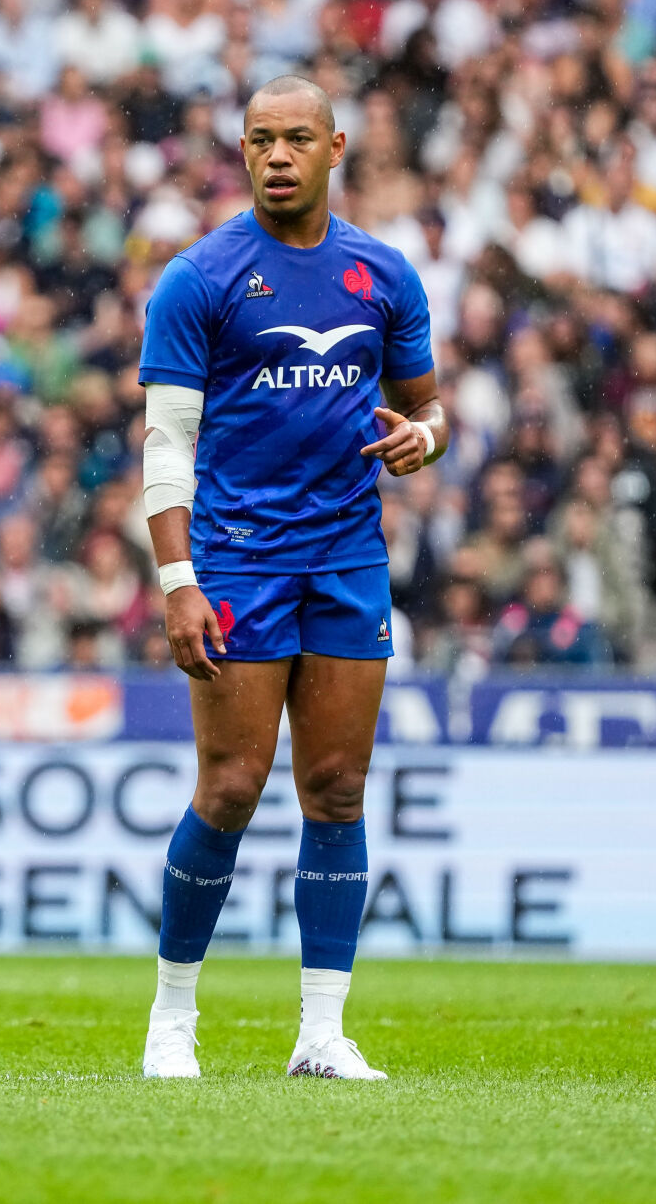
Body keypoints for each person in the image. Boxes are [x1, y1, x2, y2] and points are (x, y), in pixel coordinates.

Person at [136, 75, 446, 1083]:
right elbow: (165, 443)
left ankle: (320, 1033)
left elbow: (427, 410)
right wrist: (177, 577)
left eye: (296, 138)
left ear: (334, 147)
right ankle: (171, 1018)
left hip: (347, 557)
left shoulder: (383, 274)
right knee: (228, 786)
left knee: (336, 787)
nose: (277, 154)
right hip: (235, 560)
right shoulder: (200, 278)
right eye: (260, 139)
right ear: (240, 152)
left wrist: (422, 438)